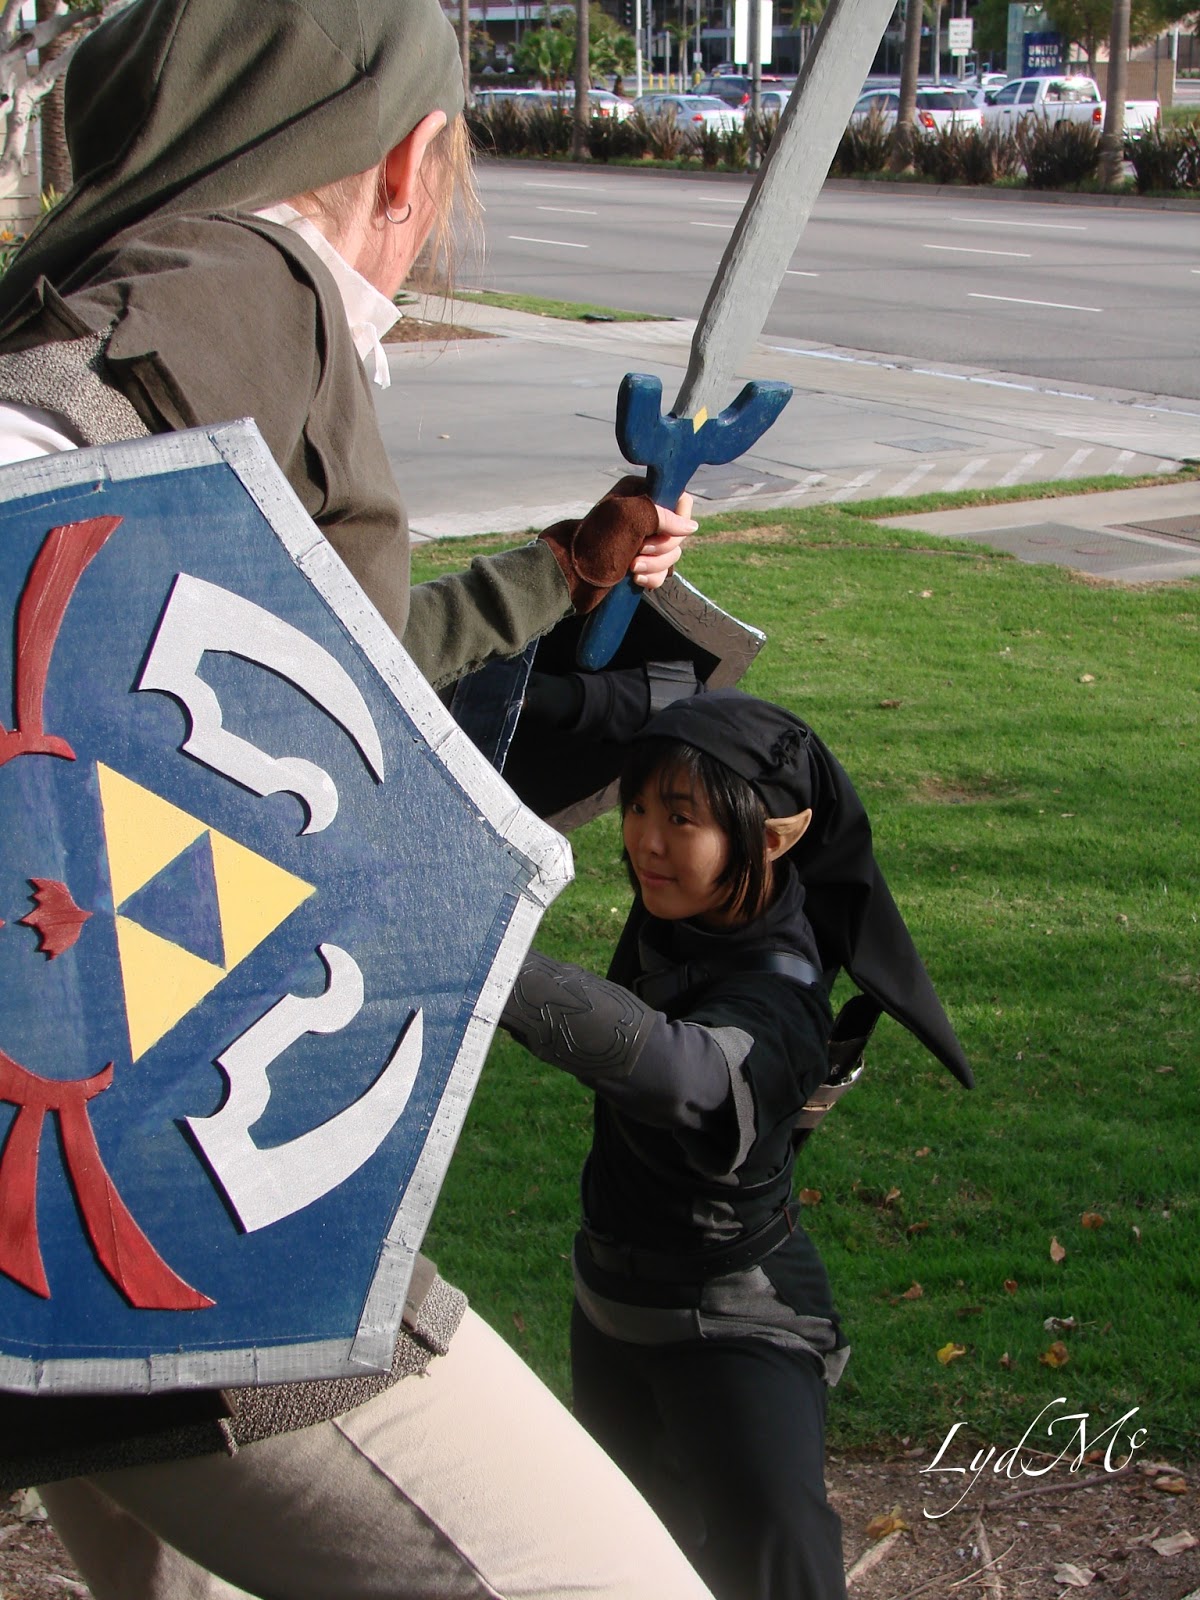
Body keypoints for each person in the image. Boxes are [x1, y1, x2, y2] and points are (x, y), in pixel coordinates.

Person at [0, 2, 712, 1597]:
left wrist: (565, 573)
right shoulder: (231, 291)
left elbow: (298, 671)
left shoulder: (156, 290)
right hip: (174, 1206)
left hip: (99, 1159)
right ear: (404, 160)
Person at [501, 690, 973, 1600]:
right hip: (609, 1305)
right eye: (638, 808)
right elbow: (651, 684)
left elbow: (689, 1076)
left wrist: (495, 964)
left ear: (778, 835)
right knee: (626, 1562)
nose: (645, 838)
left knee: (774, 1557)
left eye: (682, 819)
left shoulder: (783, 995)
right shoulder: (692, 905)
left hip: (730, 1323)